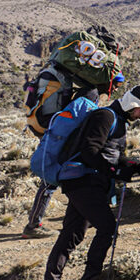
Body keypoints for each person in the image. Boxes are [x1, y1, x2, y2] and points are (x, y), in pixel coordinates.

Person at [36, 85, 140, 280]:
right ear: (133, 104)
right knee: (106, 227)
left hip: (86, 180)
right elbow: (90, 151)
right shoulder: (105, 116)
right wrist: (115, 171)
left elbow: (115, 157)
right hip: (83, 180)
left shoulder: (118, 122)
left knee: (72, 233)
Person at [22, 69, 118, 239]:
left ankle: (45, 222)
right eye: (115, 85)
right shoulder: (87, 102)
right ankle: (33, 225)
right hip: (62, 151)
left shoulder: (73, 106)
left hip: (58, 145)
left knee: (53, 183)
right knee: (49, 184)